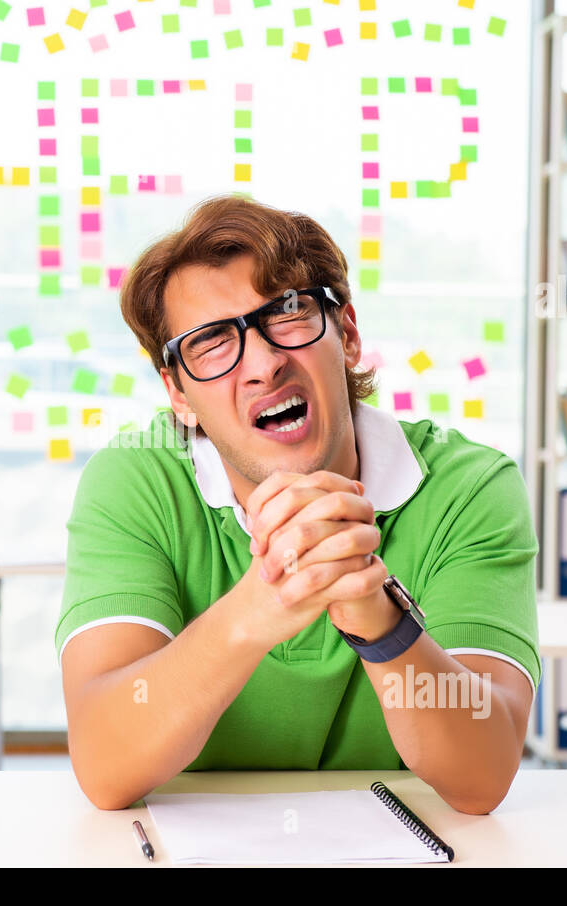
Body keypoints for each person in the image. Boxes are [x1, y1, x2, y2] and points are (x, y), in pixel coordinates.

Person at [56, 195, 539, 813]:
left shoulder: (467, 488)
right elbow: (103, 764)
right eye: (210, 344)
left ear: (349, 336)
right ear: (177, 392)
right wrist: (259, 608)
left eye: (286, 314)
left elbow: (482, 776)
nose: (262, 364)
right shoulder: (134, 482)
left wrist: (379, 620)